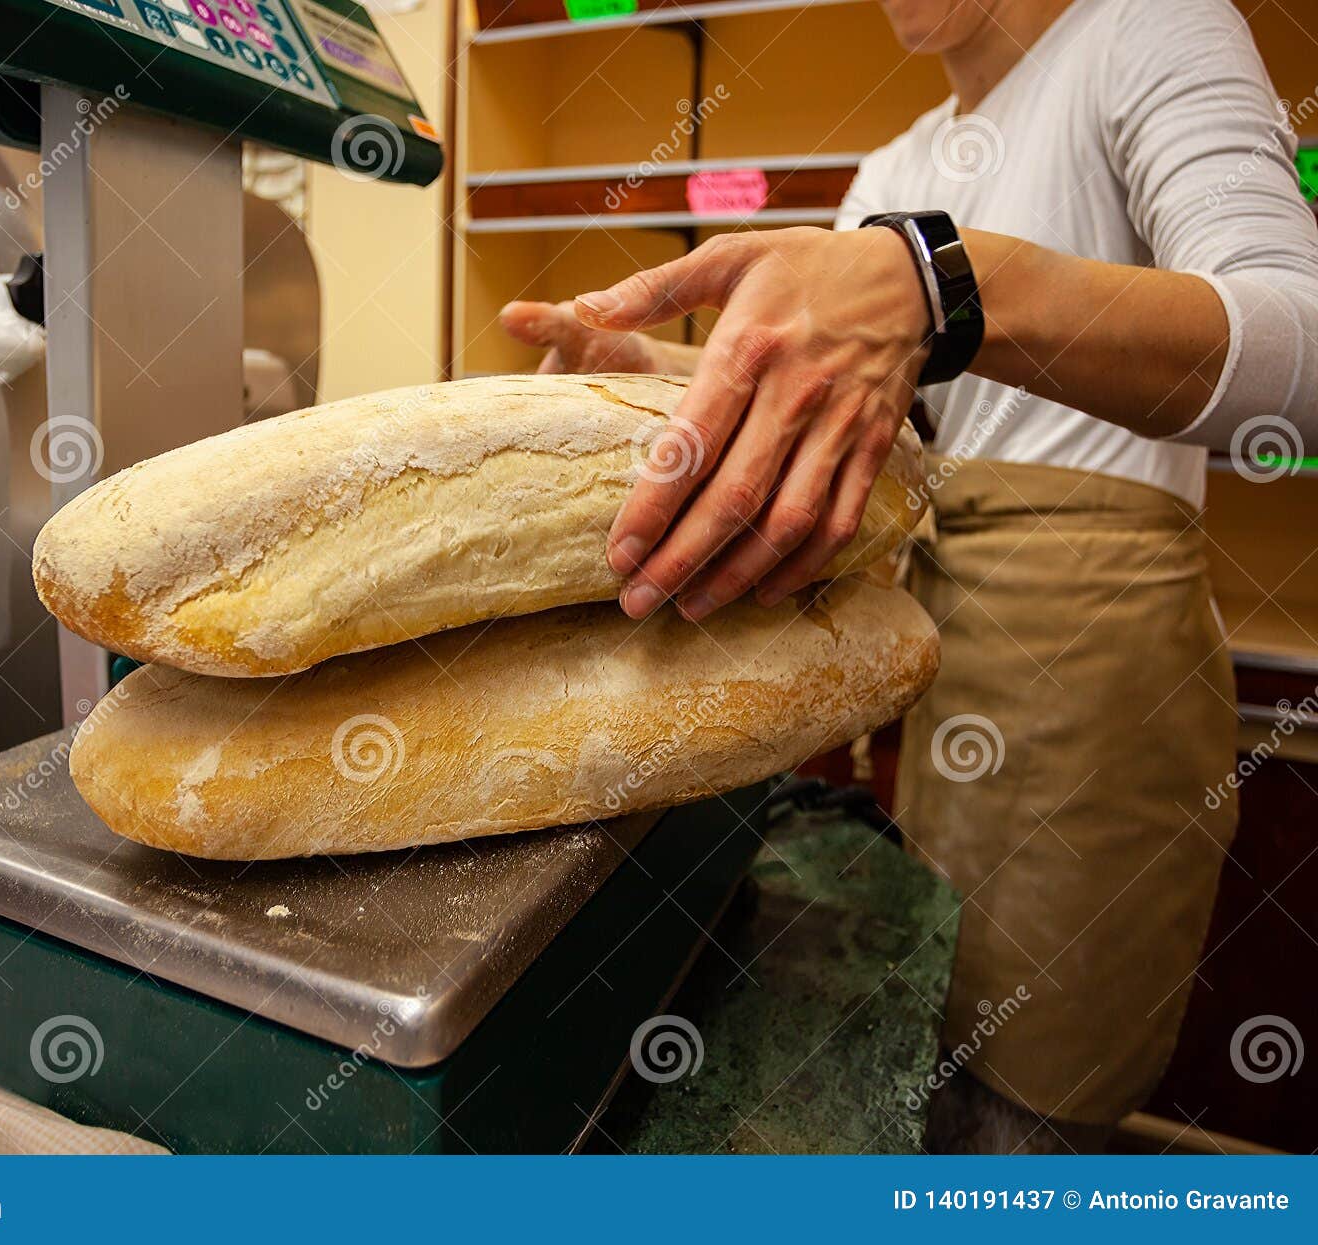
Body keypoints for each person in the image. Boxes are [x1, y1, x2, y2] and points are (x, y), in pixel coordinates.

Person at [500, 0, 1318, 1152]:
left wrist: (938, 278)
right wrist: (657, 366)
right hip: (917, 629)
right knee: (918, 1045)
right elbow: (902, 424)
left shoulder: (1149, 27)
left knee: (1024, 1104)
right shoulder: (898, 162)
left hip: (1085, 664)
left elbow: (1301, 345)